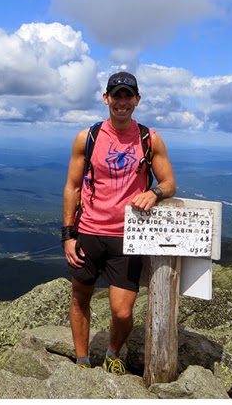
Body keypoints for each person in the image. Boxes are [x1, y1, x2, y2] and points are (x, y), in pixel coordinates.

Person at [61, 71, 176, 375]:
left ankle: (113, 352)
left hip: (127, 237)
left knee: (122, 311)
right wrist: (67, 235)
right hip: (88, 232)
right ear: (106, 99)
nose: (122, 102)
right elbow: (72, 187)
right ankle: (82, 361)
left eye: (128, 96)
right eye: (117, 95)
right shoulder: (88, 138)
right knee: (80, 297)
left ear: (137, 100)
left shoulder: (149, 139)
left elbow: (169, 182)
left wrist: (154, 192)